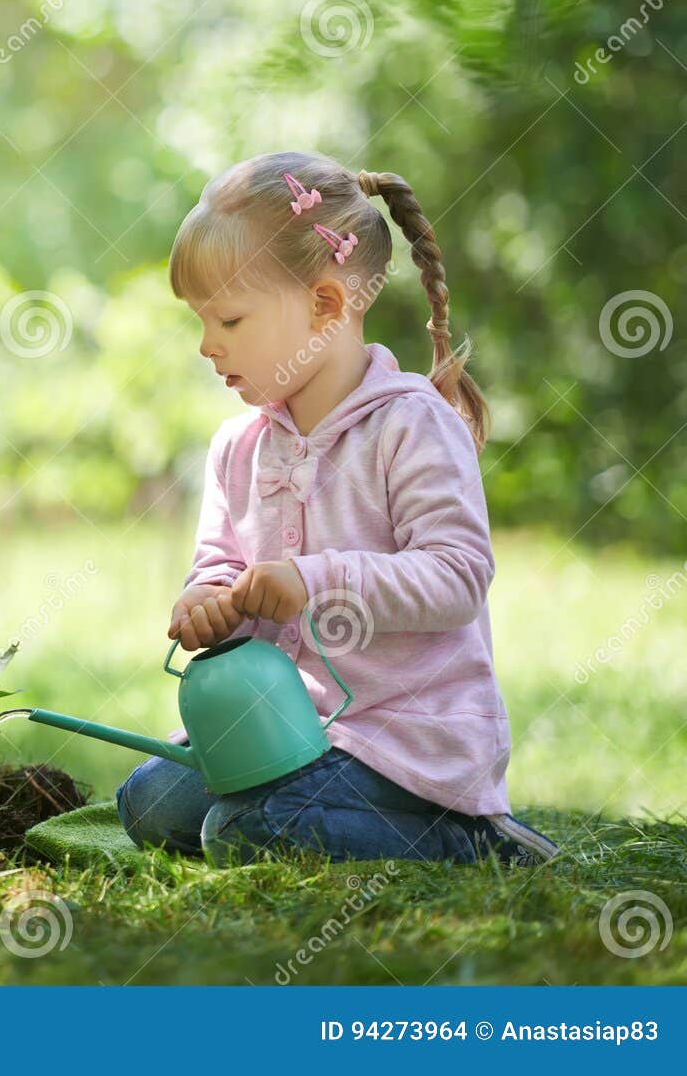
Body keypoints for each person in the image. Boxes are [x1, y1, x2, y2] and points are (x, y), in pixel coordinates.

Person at [115, 151, 559, 868]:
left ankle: (467, 839)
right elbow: (220, 562)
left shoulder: (411, 425)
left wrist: (315, 580)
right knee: (150, 802)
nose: (206, 344)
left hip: (402, 751)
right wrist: (207, 599)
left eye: (228, 317)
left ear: (324, 306)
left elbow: (457, 576)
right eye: (201, 320)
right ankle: (283, 808)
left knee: (240, 829)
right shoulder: (239, 446)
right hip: (287, 734)